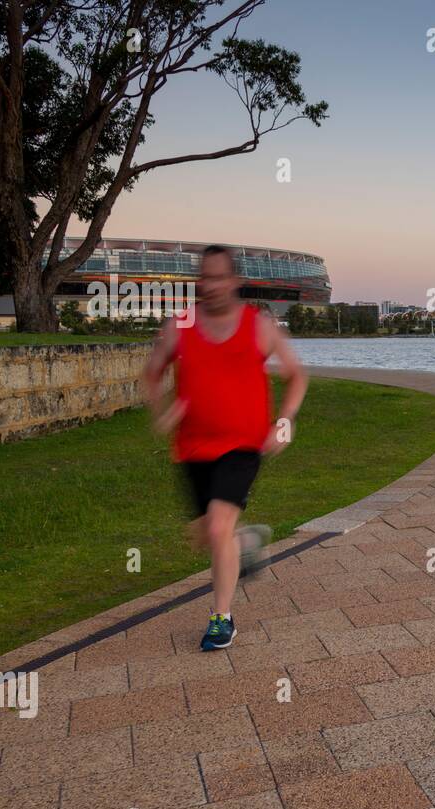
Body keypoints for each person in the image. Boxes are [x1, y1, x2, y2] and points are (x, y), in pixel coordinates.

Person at [141, 244, 308, 650]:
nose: (209, 285)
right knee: (207, 536)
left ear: (233, 281)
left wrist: (284, 422)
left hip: (243, 445)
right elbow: (151, 372)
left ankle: (222, 618)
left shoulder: (257, 325)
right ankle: (246, 543)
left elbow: (296, 376)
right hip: (193, 448)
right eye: (204, 276)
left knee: (217, 527)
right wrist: (161, 409)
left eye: (218, 277)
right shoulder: (180, 323)